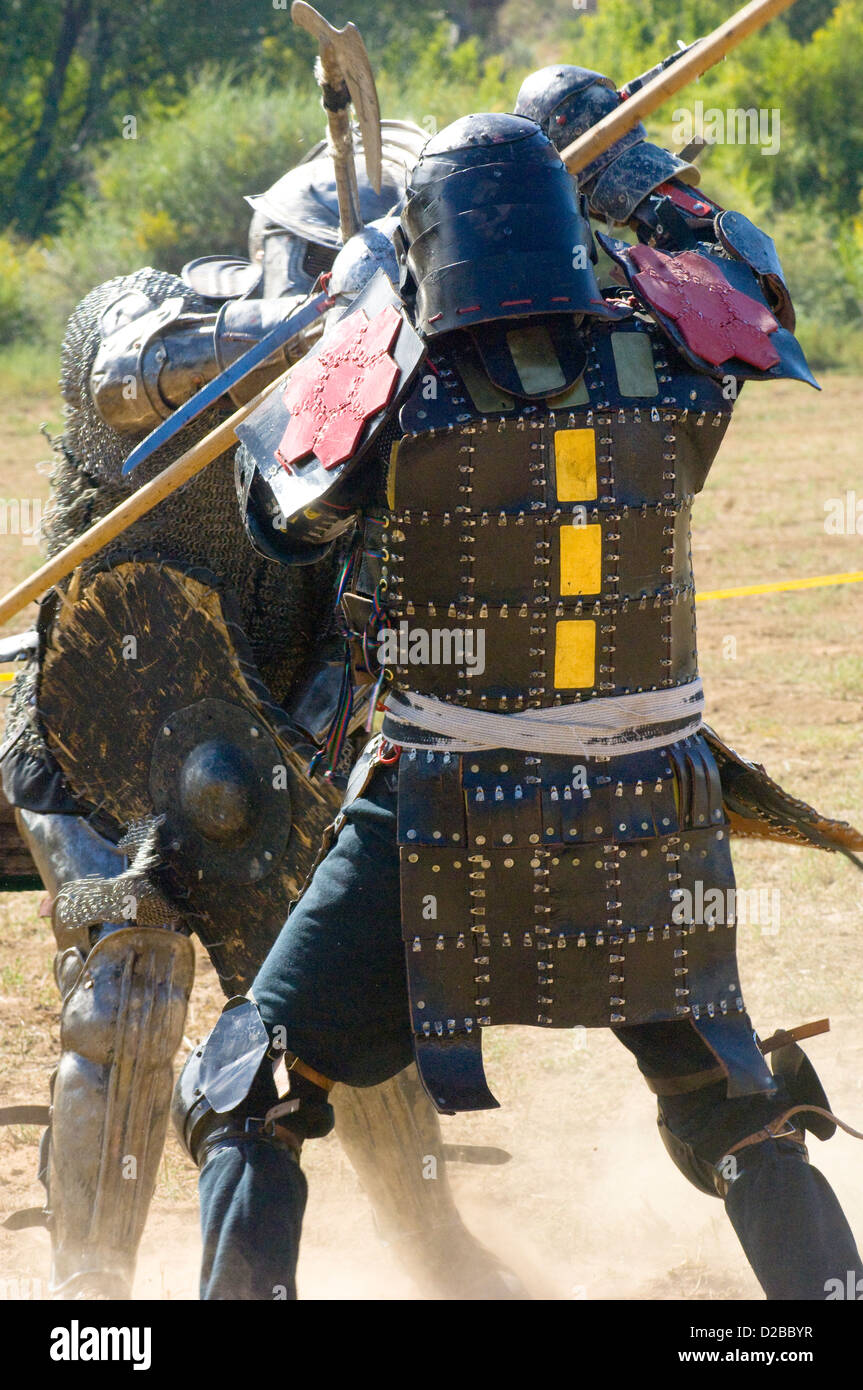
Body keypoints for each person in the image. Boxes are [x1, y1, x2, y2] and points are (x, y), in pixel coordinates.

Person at [175, 105, 863, 1301]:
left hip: (438, 811)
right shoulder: (678, 366)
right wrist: (634, 179)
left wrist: (358, 313)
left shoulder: (405, 383)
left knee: (250, 1087)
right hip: (652, 808)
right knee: (737, 1109)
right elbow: (752, 281)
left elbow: (282, 513)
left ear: (430, 242)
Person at [0, 120, 522, 1302]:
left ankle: (433, 1242)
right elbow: (128, 367)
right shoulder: (154, 322)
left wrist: (322, 750)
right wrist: (333, 311)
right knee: (131, 956)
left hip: (260, 737)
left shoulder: (387, 409)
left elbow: (361, 620)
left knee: (330, 952)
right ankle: (90, 1291)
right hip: (95, 734)